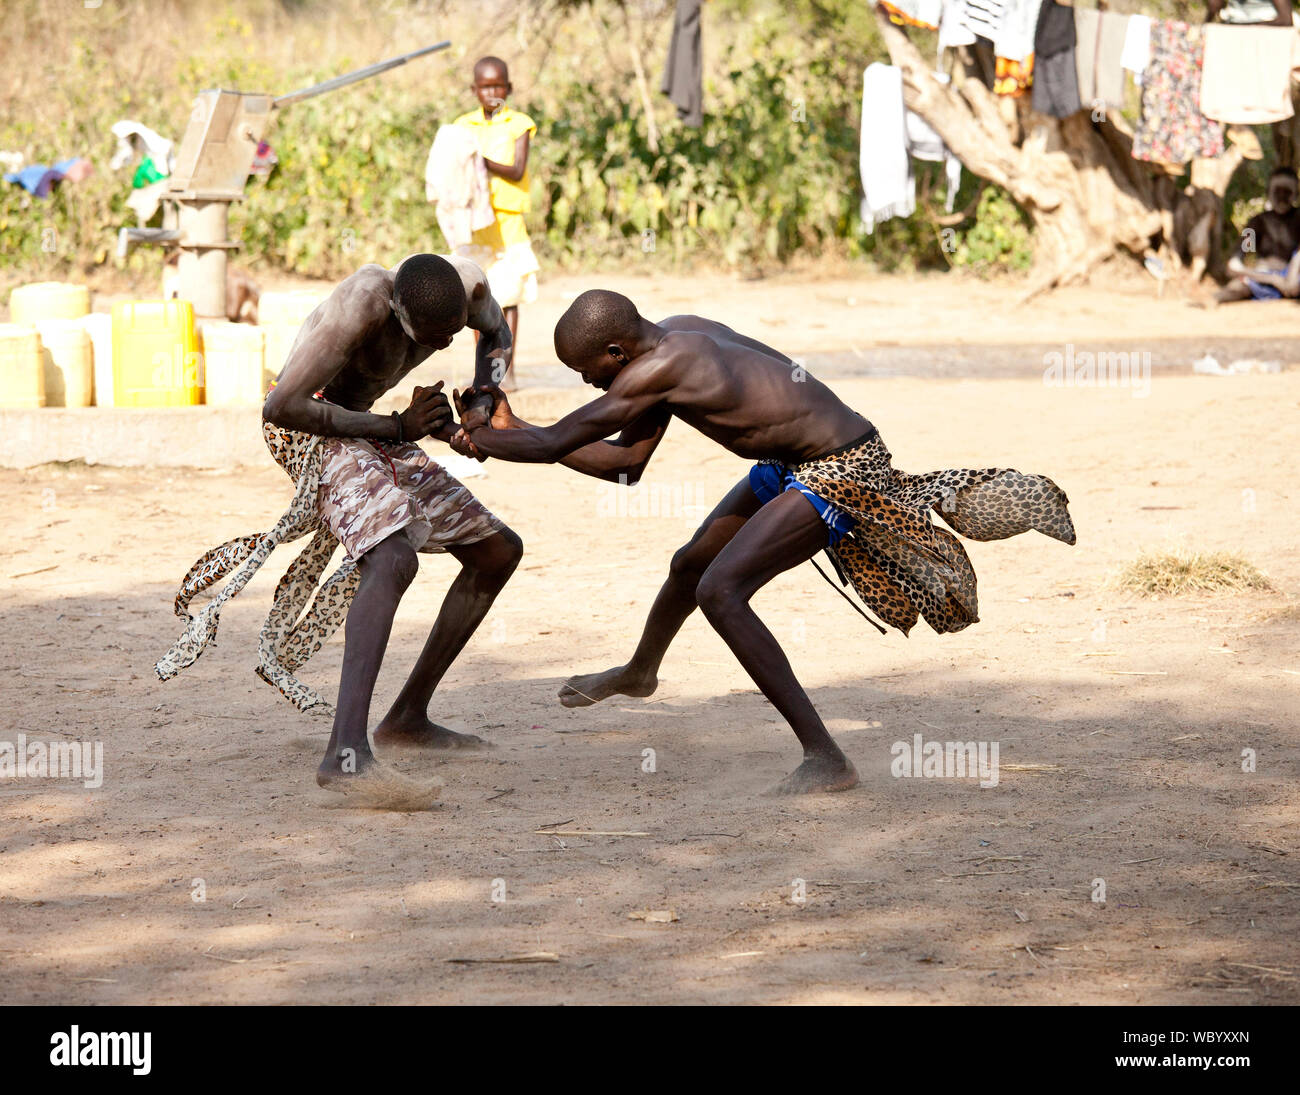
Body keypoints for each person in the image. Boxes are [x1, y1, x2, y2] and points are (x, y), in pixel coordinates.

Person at [453, 291, 1075, 795]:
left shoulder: (659, 369)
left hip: (842, 470)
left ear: (616, 351)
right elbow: (625, 464)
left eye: (587, 372)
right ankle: (641, 672)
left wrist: (480, 435)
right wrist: (515, 431)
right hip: (793, 460)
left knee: (722, 590)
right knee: (690, 565)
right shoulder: (674, 336)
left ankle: (826, 758)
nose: (589, 384)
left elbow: (555, 444)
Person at [156, 254, 522, 807]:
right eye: (432, 337)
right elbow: (282, 407)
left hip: (372, 429)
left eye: (451, 335)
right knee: (393, 557)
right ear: (398, 312)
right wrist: (397, 426)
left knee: (497, 551)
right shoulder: (362, 305)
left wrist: (481, 402)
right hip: (308, 427)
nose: (444, 346)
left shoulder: (467, 287)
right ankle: (345, 756)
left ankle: (406, 719)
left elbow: (496, 333)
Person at [450, 56, 540, 391]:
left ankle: (507, 370)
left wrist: (481, 162)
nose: (492, 92)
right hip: (474, 221)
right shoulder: (462, 127)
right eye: (485, 86)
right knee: (478, 295)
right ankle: (484, 369)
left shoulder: (519, 124)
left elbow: (517, 170)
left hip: (508, 220)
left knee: (509, 295)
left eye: (498, 86)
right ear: (474, 90)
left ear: (509, 88)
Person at [1216, 167, 1300, 303]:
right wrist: (1273, 279)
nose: (1282, 197)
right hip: (1262, 276)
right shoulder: (1257, 222)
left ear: (1295, 194)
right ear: (1269, 193)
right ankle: (1212, 302)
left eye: (1287, 192)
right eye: (1278, 191)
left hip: (1294, 279)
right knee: (1237, 287)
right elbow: (1234, 264)